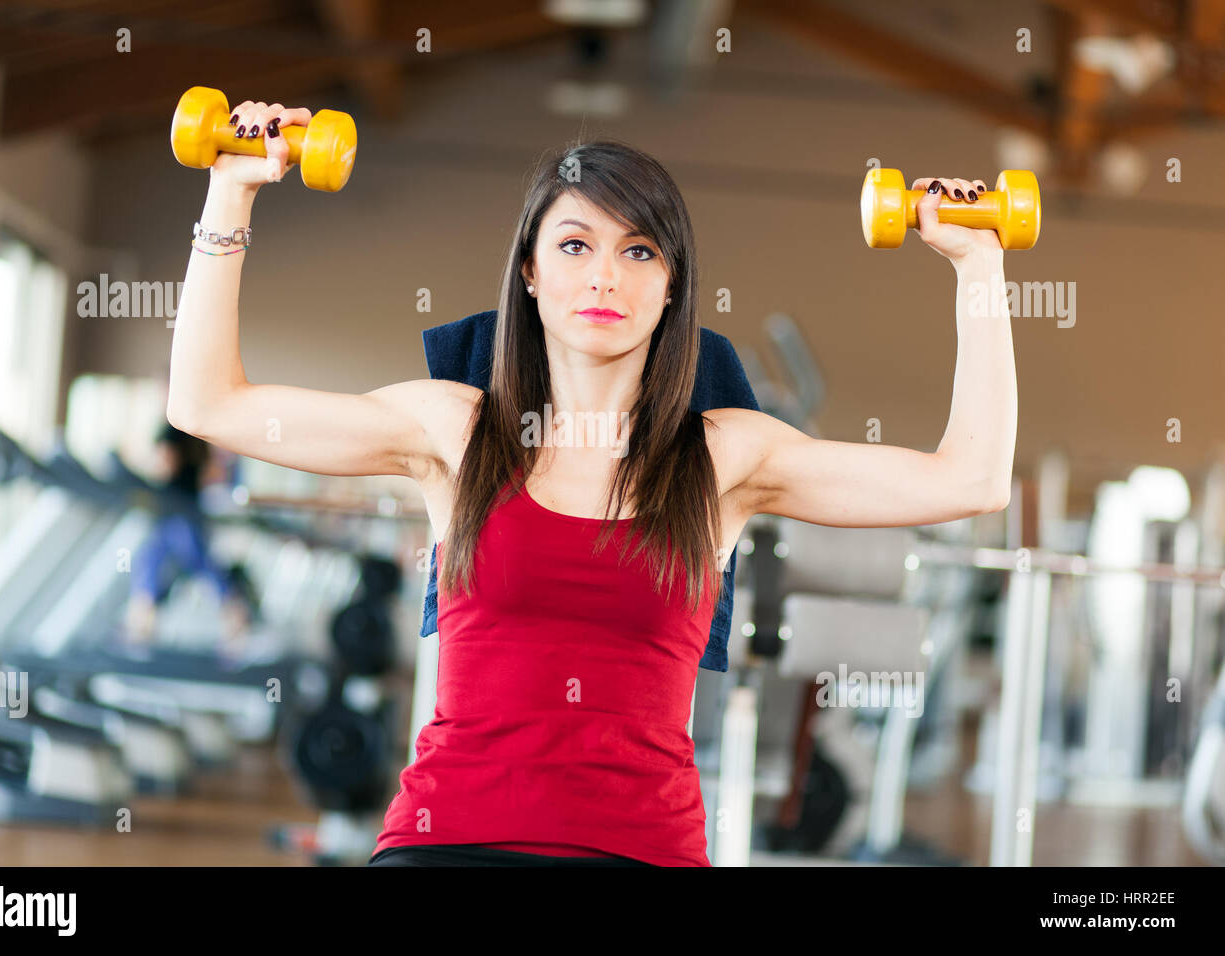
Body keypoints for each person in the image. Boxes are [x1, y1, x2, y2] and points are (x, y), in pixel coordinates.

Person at [165, 100, 1017, 866]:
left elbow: (971, 480)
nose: (605, 275)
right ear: (530, 273)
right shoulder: (453, 433)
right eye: (575, 245)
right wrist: (230, 192)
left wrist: (978, 266)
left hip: (642, 854)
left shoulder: (726, 459)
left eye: (638, 250)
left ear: (672, 282)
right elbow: (209, 404)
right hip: (450, 842)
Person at [122, 422, 251, 651]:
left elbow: (165, 466)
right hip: (186, 508)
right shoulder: (197, 431)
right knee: (177, 559)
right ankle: (232, 610)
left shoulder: (173, 431)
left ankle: (143, 616)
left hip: (177, 510)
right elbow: (207, 470)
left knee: (177, 558)